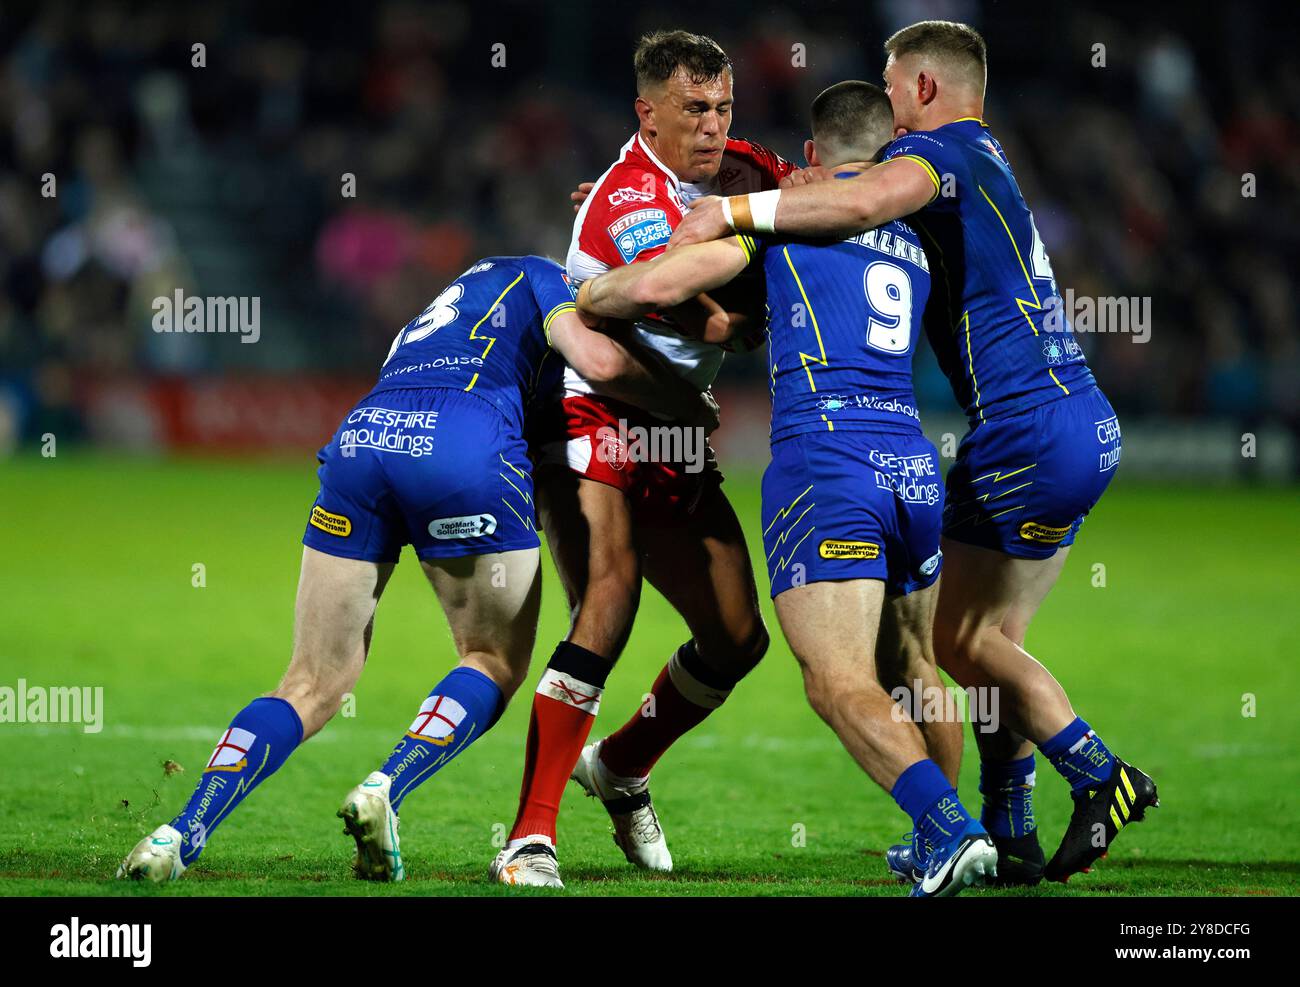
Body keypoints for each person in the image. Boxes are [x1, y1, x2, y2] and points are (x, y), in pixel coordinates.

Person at [670, 20, 1158, 885]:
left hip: (1023, 428)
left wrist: (730, 209)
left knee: (963, 646)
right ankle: (1008, 828)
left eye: (894, 90)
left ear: (924, 89)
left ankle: (1100, 772)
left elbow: (856, 201)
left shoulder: (948, 155)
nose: (891, 113)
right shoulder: (988, 162)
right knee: (995, 641)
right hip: (1083, 419)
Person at [117, 255, 714, 883]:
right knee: (491, 660)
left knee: (310, 682)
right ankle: (385, 788)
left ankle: (178, 834)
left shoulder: (441, 314)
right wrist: (682, 400)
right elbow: (596, 363)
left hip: (364, 437)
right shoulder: (542, 275)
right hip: (461, 439)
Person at [574, 81, 995, 897]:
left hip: (828, 461)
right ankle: (942, 830)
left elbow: (657, 286)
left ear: (811, 157)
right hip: (912, 462)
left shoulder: (779, 219)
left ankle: (949, 833)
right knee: (912, 662)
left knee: (837, 681)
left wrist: (588, 291)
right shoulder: (905, 231)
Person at [491, 30, 792, 888]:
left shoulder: (740, 166)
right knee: (609, 600)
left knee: (737, 637)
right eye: (693, 108)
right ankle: (528, 838)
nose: (712, 124)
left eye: (723, 106)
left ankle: (620, 765)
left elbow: (808, 194)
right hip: (596, 407)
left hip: (673, 424)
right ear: (646, 112)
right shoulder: (628, 195)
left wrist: (778, 214)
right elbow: (689, 310)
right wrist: (752, 293)